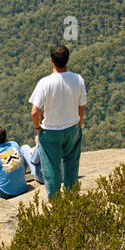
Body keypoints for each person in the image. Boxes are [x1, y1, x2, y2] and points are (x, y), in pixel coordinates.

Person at [29, 44, 87, 199]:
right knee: (71, 165)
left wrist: (37, 128)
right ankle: (72, 197)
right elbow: (82, 106)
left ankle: (56, 204)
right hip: (72, 127)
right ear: (67, 60)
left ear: (51, 61)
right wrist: (79, 125)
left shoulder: (45, 83)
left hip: (50, 131)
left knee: (51, 169)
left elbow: (35, 111)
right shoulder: (78, 79)